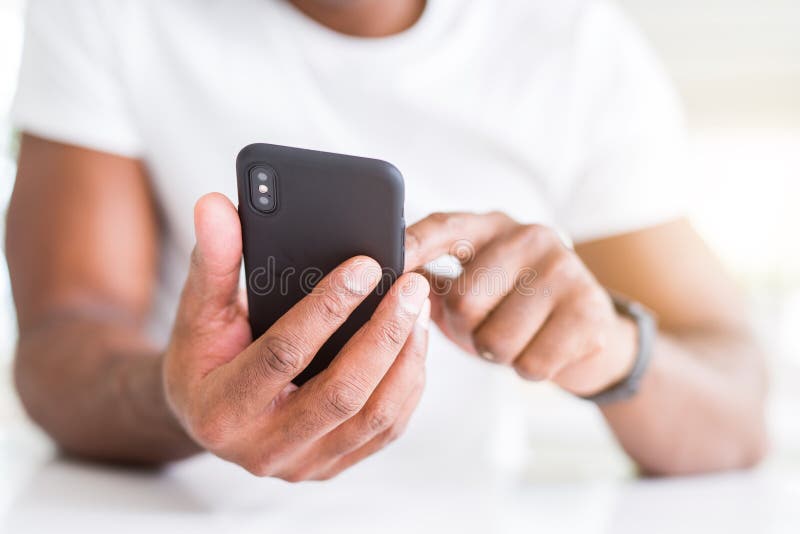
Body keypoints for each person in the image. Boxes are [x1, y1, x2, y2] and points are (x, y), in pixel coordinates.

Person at [6, 0, 766, 482]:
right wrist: (181, 401)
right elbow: (58, 345)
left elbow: (737, 412)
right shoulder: (104, 12)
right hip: (160, 511)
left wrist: (608, 349)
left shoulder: (576, 48)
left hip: (454, 509)